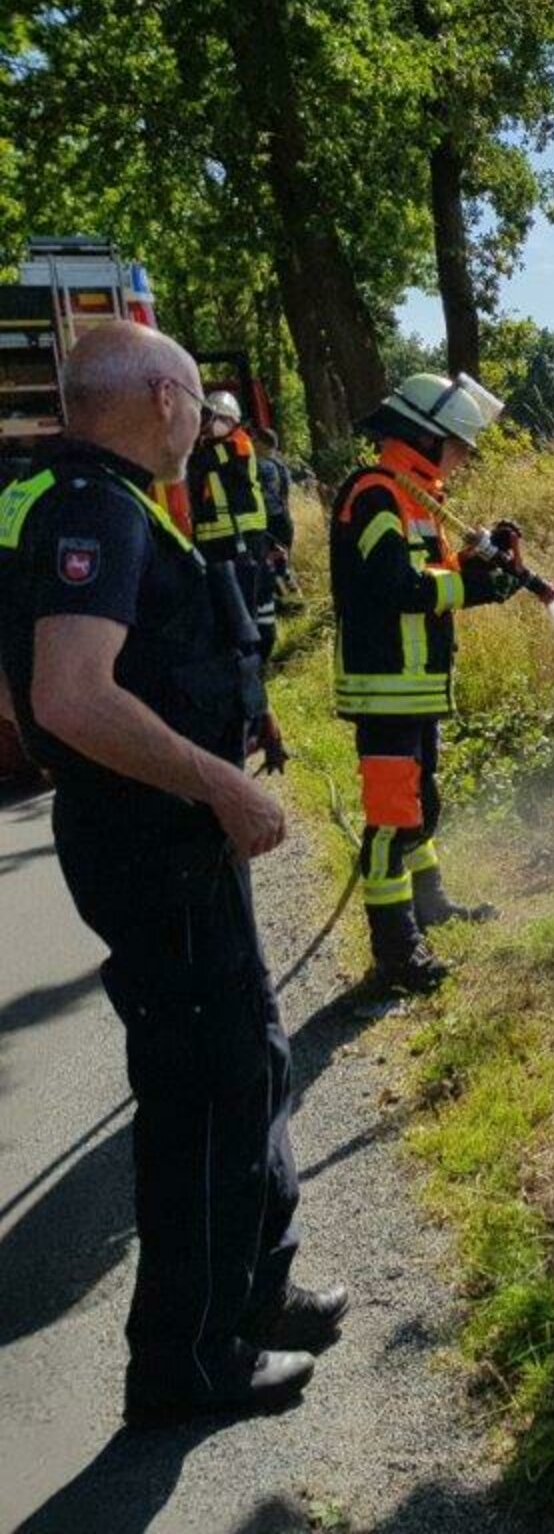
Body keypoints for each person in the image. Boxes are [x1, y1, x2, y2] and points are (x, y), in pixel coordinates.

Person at [0, 321, 345, 1425]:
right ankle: (188, 1367)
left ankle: (255, 1292)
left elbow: (38, 682)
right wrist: (219, 784)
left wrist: (236, 718)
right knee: (205, 1094)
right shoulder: (97, 506)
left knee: (252, 1060)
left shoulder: (54, 496)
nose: (204, 421)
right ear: (159, 397)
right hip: (158, 844)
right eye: (198, 401)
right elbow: (69, 696)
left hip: (158, 833)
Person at [329, 372, 518, 991]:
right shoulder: (376, 495)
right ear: (424, 436)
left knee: (418, 806)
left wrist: (481, 562)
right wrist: (476, 588)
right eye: (458, 443)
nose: (464, 456)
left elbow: (430, 574)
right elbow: (394, 588)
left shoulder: (412, 494)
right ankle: (395, 955)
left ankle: (430, 905)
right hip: (385, 689)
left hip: (412, 687)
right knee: (390, 821)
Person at [186, 389, 278, 660]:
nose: (204, 422)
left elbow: (201, 464)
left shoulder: (237, 444)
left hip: (241, 538)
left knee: (246, 600)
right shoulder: (210, 446)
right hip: (216, 540)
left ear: (227, 420)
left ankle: (255, 652)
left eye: (209, 416)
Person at [253, 424, 299, 612]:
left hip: (272, 521)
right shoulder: (280, 465)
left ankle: (288, 606)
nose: (252, 443)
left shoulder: (262, 466)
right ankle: (294, 602)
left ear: (263, 444)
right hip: (284, 518)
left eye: (255, 440)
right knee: (284, 564)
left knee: (275, 566)